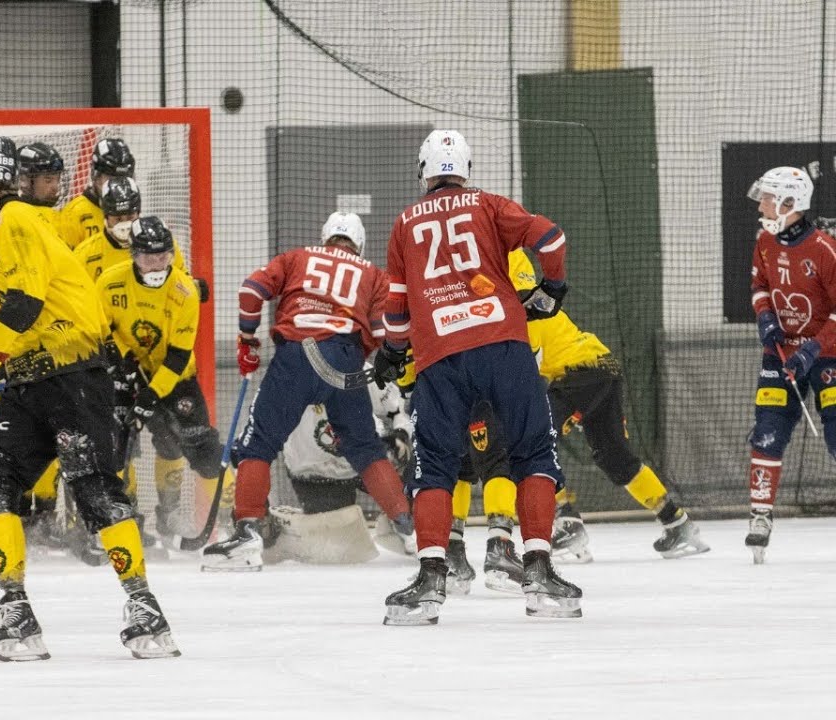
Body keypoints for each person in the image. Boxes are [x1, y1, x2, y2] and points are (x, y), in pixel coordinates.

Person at [0, 135, 179, 661]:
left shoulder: (15, 223)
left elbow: (24, 305)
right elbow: (23, 322)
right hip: (31, 381)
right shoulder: (13, 228)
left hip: (73, 377)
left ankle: (145, 608)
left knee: (92, 488)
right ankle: (16, 611)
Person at [378, 130, 581, 625]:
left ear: (422, 169)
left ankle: (430, 578)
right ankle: (537, 569)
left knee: (436, 468)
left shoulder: (405, 223)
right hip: (504, 347)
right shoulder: (489, 205)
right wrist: (552, 286)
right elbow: (551, 238)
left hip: (439, 357)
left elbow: (398, 311)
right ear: (465, 167)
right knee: (532, 453)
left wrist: (390, 351)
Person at [468, 249, 709, 579]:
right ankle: (676, 522)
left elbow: (531, 373)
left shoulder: (519, 313)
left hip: (577, 372)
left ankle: (568, 522)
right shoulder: (518, 304)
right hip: (603, 366)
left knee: (533, 440)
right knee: (613, 455)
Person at [201, 211, 413, 572]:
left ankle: (248, 532)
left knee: (259, 444)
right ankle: (409, 530)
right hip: (344, 360)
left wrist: (248, 340)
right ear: (358, 246)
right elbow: (387, 329)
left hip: (297, 354)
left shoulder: (296, 257)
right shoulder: (373, 274)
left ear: (325, 236)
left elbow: (251, 291)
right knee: (365, 450)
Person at [98, 216, 221, 545]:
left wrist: (150, 397)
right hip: (127, 374)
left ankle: (209, 521)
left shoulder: (184, 291)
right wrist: (117, 356)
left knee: (202, 448)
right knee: (114, 447)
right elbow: (99, 328)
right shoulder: (109, 283)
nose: (157, 264)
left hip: (176, 378)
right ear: (133, 256)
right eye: (149, 257)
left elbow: (178, 356)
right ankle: (120, 518)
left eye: (164, 256)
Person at [743, 166, 836, 564]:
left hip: (826, 354)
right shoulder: (764, 239)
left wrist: (813, 349)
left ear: (790, 203)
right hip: (779, 354)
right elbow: (759, 284)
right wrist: (764, 316)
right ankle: (760, 516)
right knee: (768, 430)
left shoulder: (825, 250)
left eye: (767, 197)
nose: (761, 204)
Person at [270, 362, 412, 565]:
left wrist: (401, 435)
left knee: (418, 486)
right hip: (315, 474)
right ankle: (280, 521)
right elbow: (259, 431)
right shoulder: (283, 377)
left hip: (368, 460)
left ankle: (400, 520)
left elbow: (398, 410)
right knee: (335, 549)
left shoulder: (359, 368)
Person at [59, 137, 135, 250]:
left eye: (123, 178)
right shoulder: (74, 213)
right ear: (96, 176)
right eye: (111, 178)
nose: (118, 186)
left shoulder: (132, 211)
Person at [17, 141, 66, 220]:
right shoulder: (13, 217)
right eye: (48, 180)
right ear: (24, 180)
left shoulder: (59, 217)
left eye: (58, 179)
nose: (55, 187)